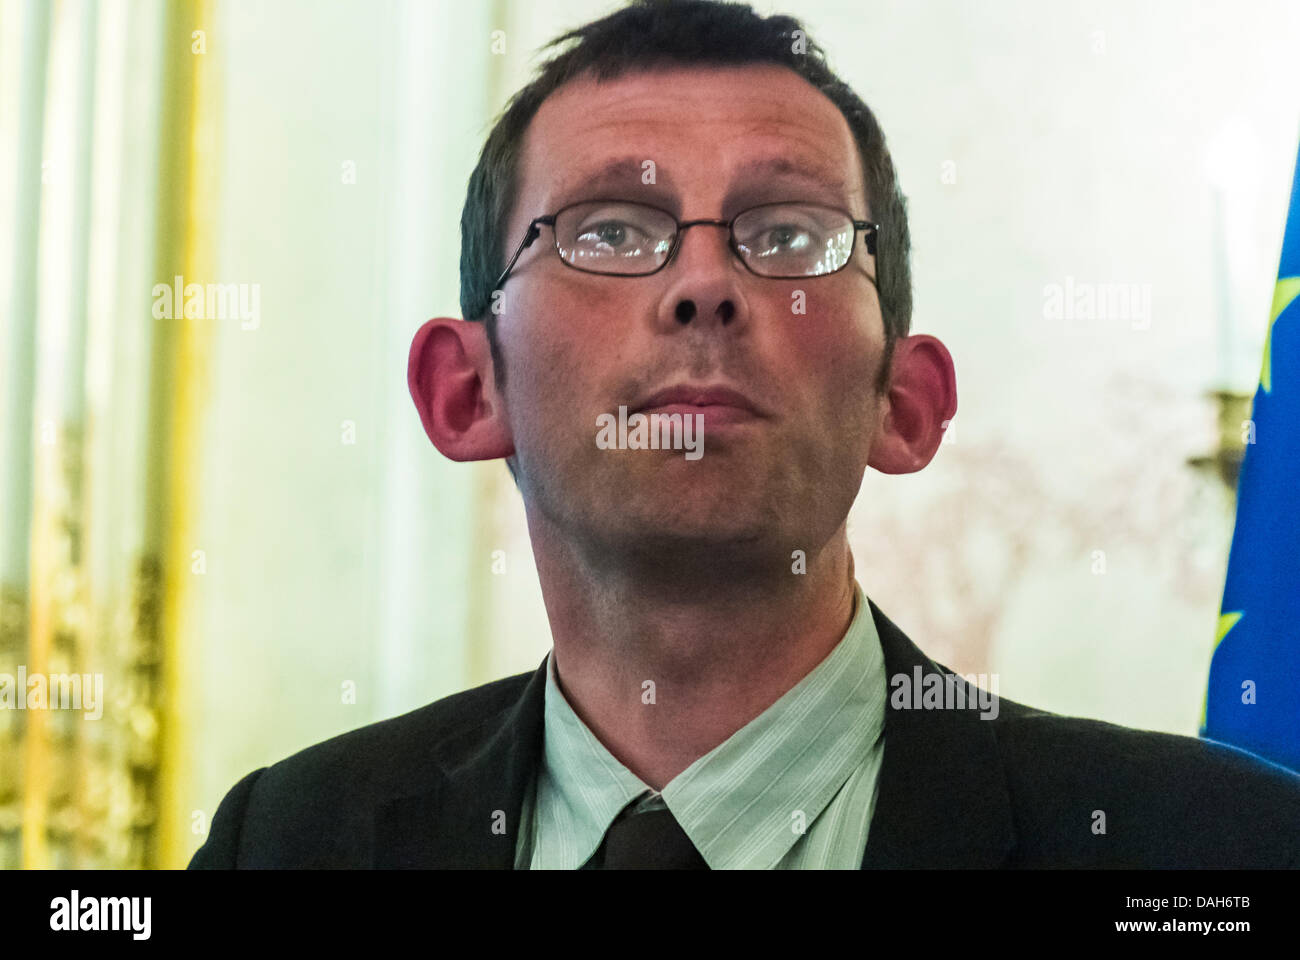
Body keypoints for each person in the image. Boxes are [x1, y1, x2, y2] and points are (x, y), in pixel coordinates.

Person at [190, 0, 1300, 869]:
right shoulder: (291, 841)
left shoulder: (1213, 846)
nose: (705, 283)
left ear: (902, 404)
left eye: (788, 232)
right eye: (613, 228)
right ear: (466, 391)